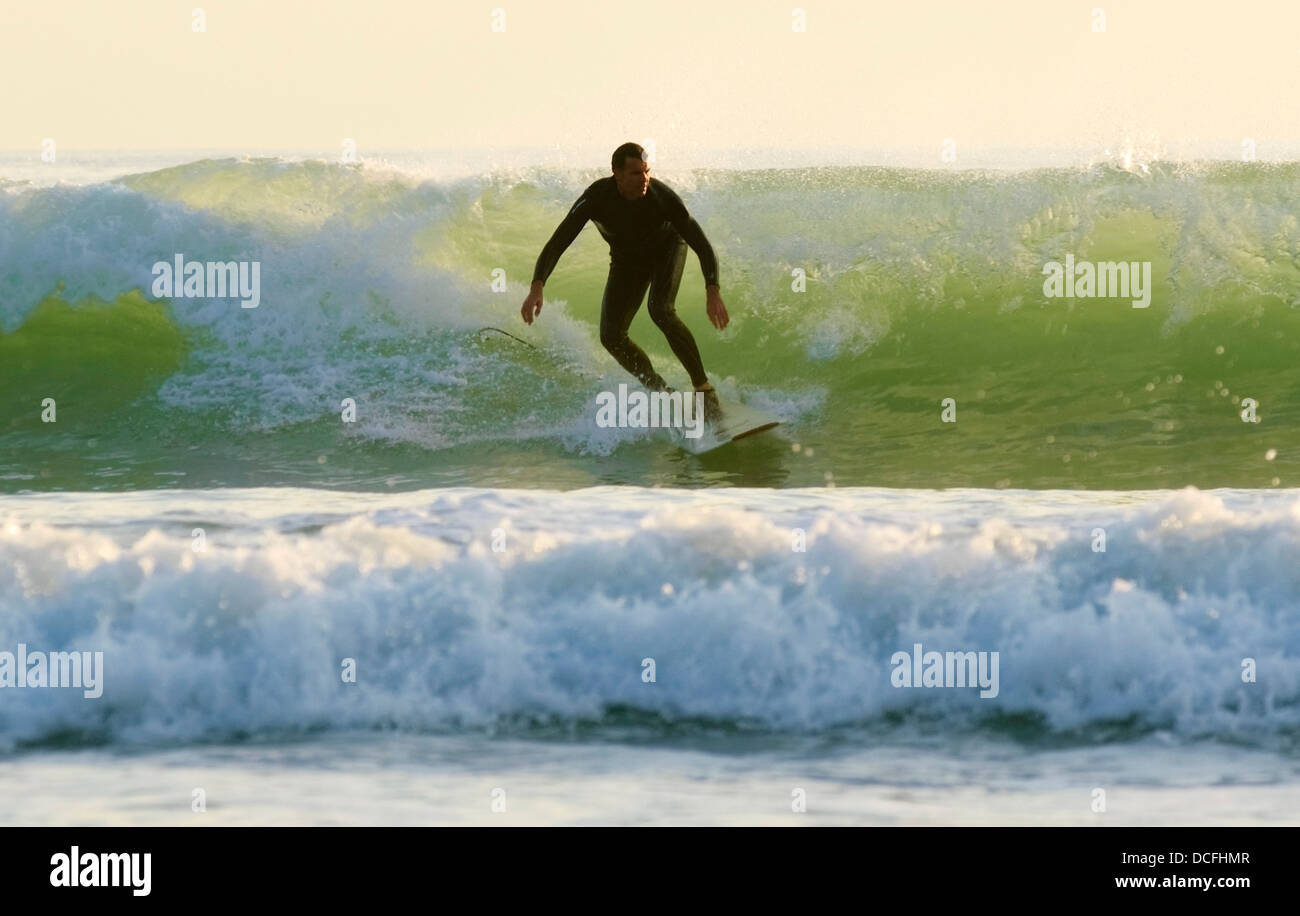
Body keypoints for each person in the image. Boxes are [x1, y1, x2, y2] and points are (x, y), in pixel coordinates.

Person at [521, 142, 728, 409]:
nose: (644, 179)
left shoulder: (661, 198)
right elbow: (559, 241)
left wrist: (712, 289)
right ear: (616, 174)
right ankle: (660, 390)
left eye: (647, 171)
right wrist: (538, 286)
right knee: (611, 336)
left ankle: (704, 388)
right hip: (627, 260)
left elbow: (701, 243)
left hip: (667, 249)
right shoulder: (597, 197)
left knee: (660, 309)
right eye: (635, 173)